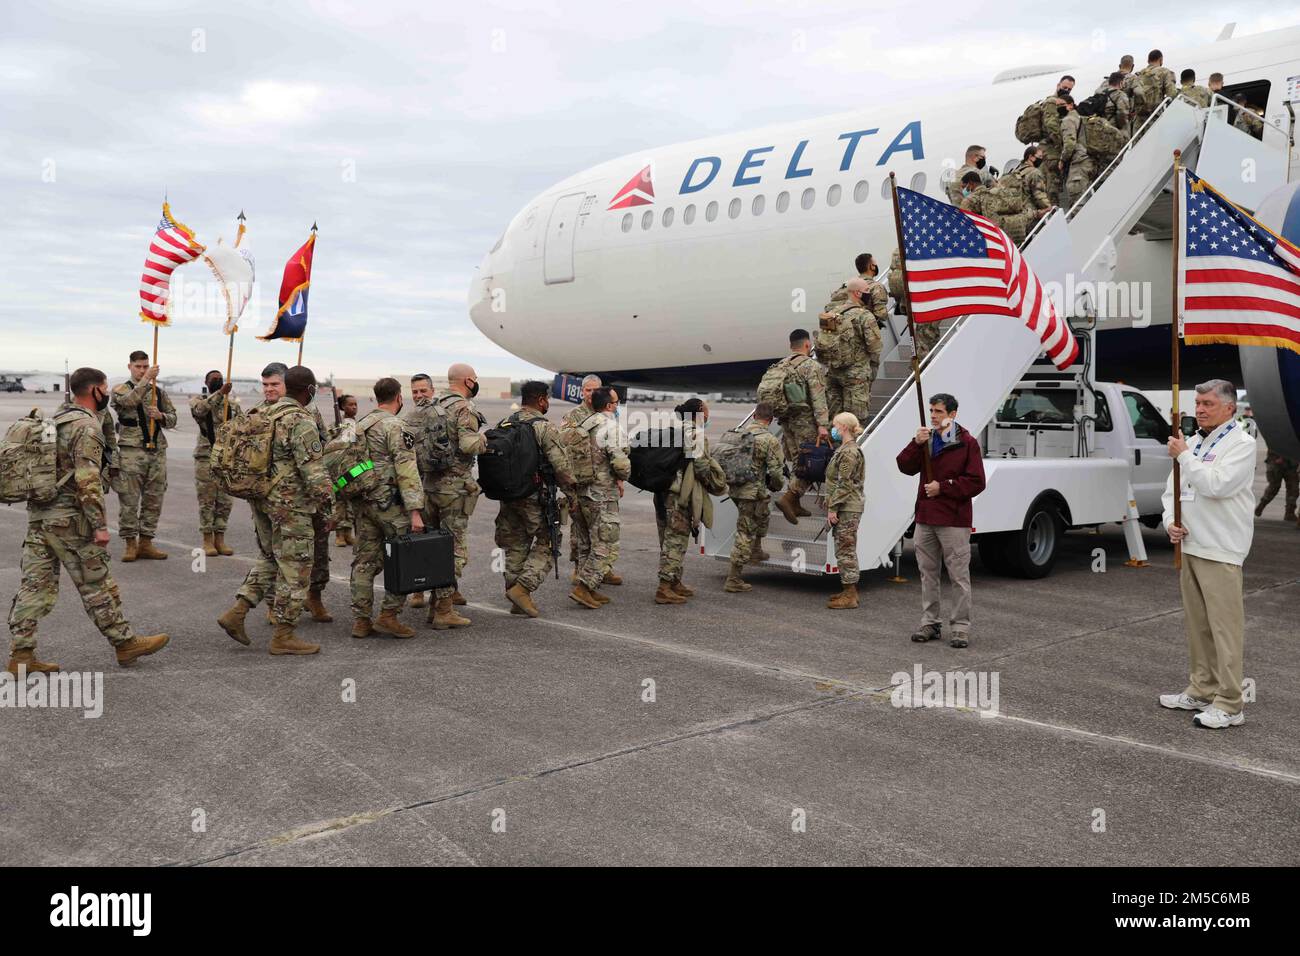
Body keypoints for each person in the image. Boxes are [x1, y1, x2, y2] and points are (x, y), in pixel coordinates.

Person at [6, 367, 169, 674]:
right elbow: (87, 480)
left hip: (40, 515)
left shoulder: (57, 419)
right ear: (95, 391)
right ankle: (125, 643)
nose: (107, 393)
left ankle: (22, 655)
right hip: (70, 519)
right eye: (105, 388)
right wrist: (99, 525)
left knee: (33, 586)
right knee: (96, 582)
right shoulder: (86, 427)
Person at [1159, 379, 1257, 729]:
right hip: (1192, 545)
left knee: (1224, 628)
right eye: (1198, 403)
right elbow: (1171, 491)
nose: (1199, 409)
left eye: (1208, 404)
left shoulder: (1241, 444)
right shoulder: (1196, 443)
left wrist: (1184, 455)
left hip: (1221, 548)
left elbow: (1217, 486)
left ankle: (1231, 703)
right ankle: (1202, 688)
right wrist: (1171, 520)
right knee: (1198, 625)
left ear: (1229, 408)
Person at [217, 366, 335, 655]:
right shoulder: (299, 419)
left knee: (271, 558)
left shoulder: (262, 413)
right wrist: (329, 508)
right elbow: (314, 470)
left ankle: (237, 611)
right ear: (308, 390)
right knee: (296, 567)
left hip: (261, 498)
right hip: (290, 503)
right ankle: (284, 634)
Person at [896, 392, 986, 648]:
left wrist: (943, 487)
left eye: (939, 412)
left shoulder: (967, 442)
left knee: (958, 576)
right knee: (928, 574)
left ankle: (960, 627)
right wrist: (915, 443)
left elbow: (977, 481)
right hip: (925, 517)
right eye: (932, 411)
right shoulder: (926, 439)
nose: (934, 416)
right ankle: (930, 623)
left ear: (953, 415)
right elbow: (904, 465)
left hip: (954, 520)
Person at [348, 378, 426, 639]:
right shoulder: (396, 425)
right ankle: (388, 616)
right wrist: (416, 510)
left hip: (363, 502)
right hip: (390, 504)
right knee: (404, 558)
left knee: (364, 562)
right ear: (399, 397)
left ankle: (361, 621)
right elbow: (406, 468)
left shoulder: (361, 424)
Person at [497, 381, 575, 617]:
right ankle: (523, 589)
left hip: (508, 495)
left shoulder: (505, 423)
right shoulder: (543, 427)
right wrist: (572, 495)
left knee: (514, 545)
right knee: (548, 541)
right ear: (541, 400)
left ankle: (515, 596)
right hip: (535, 497)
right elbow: (561, 466)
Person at [423, 363, 488, 628]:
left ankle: (433, 606)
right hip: (453, 489)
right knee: (454, 550)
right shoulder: (464, 408)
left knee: (432, 548)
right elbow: (468, 444)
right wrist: (486, 440)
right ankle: (444, 610)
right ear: (469, 381)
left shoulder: (430, 404)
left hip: (429, 485)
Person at [653, 399, 725, 605]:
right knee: (676, 540)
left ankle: (675, 581)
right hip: (678, 496)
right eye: (708, 409)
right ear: (700, 411)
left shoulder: (675, 429)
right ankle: (664, 587)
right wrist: (717, 484)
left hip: (662, 492)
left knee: (667, 538)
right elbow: (702, 468)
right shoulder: (696, 433)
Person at [111, 349, 176, 562]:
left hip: (156, 450)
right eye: (138, 366)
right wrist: (145, 380)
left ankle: (146, 542)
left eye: (146, 366)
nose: (142, 370)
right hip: (131, 451)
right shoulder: (120, 389)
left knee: (154, 498)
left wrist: (161, 416)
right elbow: (128, 402)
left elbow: (174, 418)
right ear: (129, 366)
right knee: (129, 499)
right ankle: (130, 543)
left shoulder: (158, 392)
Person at [569, 387, 631, 609]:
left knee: (586, 543)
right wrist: (623, 475)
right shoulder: (611, 427)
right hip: (602, 495)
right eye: (616, 402)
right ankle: (584, 587)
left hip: (581, 493)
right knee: (605, 543)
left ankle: (589, 589)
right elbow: (621, 464)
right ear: (609, 406)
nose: (617, 405)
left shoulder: (583, 425)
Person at [564, 374, 622, 586]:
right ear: (582, 392)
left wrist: (619, 480)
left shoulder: (610, 415)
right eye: (587, 390)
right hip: (581, 481)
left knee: (603, 528)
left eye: (594, 390)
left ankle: (603, 569)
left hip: (603, 481)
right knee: (581, 530)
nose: (590, 394)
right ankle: (580, 569)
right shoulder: (573, 415)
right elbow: (565, 449)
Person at [722, 402, 784, 592]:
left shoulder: (739, 434)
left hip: (735, 488)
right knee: (744, 532)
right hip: (753, 492)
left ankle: (756, 551)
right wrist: (778, 485)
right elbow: (775, 471)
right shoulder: (769, 439)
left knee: (761, 515)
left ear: (754, 416)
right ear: (771, 420)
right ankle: (733, 579)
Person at [772, 329, 831, 524]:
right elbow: (818, 397)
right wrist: (823, 425)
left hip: (786, 421)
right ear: (807, 345)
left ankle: (794, 502)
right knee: (811, 462)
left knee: (798, 461)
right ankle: (789, 498)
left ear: (791, 346)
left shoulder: (781, 365)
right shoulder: (810, 366)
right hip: (805, 422)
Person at [818, 275, 884, 424]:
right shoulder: (865, 315)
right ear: (858, 293)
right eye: (867, 290)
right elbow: (875, 347)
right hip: (856, 377)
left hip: (833, 374)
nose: (870, 293)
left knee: (836, 422)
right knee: (855, 423)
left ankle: (838, 447)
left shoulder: (833, 313)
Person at [191, 369, 241, 557]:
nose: (217, 381)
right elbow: (199, 411)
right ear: (206, 382)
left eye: (220, 379)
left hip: (227, 460)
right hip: (206, 457)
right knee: (207, 500)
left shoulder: (233, 406)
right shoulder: (199, 400)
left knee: (225, 501)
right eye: (214, 379)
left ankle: (220, 537)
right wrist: (220, 394)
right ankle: (207, 539)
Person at [400, 374, 437, 606]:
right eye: (415, 392)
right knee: (416, 539)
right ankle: (417, 591)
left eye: (423, 390)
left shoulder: (441, 415)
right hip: (416, 486)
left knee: (441, 539)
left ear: (432, 391)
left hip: (438, 486)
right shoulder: (407, 420)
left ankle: (446, 589)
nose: (419, 396)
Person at [824, 412, 865, 610]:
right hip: (846, 505)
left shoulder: (849, 452)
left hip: (847, 507)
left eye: (835, 426)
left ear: (844, 428)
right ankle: (849, 590)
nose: (833, 429)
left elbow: (844, 484)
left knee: (845, 550)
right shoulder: (844, 449)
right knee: (844, 548)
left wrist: (833, 508)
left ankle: (849, 595)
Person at [1035, 75, 1074, 204]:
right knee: (1052, 184)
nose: (1066, 90)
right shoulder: (1051, 102)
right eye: (1064, 87)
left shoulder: (1060, 102)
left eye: (1069, 89)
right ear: (1058, 85)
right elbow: (1051, 126)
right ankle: (1051, 211)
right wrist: (1062, 145)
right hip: (1050, 149)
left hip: (1048, 148)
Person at [330, 393, 358, 547]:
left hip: (353, 469)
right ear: (342, 407)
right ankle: (339, 534)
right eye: (350, 405)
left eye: (355, 405)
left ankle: (348, 533)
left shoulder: (355, 423)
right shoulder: (337, 423)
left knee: (350, 503)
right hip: (339, 469)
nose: (353, 407)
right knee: (339, 503)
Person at [1058, 95, 1096, 208]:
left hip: (1079, 162)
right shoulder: (1081, 117)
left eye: (1061, 105)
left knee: (1076, 201)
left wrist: (1062, 160)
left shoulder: (1068, 120)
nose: (1058, 108)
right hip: (1089, 160)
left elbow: (1070, 144)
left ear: (1070, 105)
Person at [1131, 49, 1177, 131]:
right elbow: (1172, 94)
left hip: (1138, 121)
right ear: (1161, 59)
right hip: (1155, 118)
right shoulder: (1165, 72)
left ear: (1148, 60)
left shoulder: (1138, 75)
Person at [1255, 452, 1298, 521]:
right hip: (1275, 462)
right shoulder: (1275, 441)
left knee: (1293, 489)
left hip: (1291, 464)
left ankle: (1290, 513)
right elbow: (1274, 445)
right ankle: (1262, 505)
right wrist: (1279, 456)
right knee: (1274, 487)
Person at [1102, 71, 1133, 139]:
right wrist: (1121, 126)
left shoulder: (1101, 93)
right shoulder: (1120, 95)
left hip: (1102, 128)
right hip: (1114, 130)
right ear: (1121, 82)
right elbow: (1122, 113)